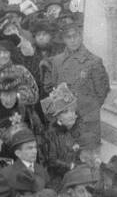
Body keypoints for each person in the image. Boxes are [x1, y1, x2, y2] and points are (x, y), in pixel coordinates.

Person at [43, 17, 109, 153]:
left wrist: (87, 107)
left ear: (81, 37)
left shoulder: (94, 61)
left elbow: (102, 92)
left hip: (87, 120)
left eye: (76, 36)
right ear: (64, 40)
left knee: (90, 157)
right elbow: (54, 86)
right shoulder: (57, 61)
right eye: (68, 37)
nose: (72, 40)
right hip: (65, 121)